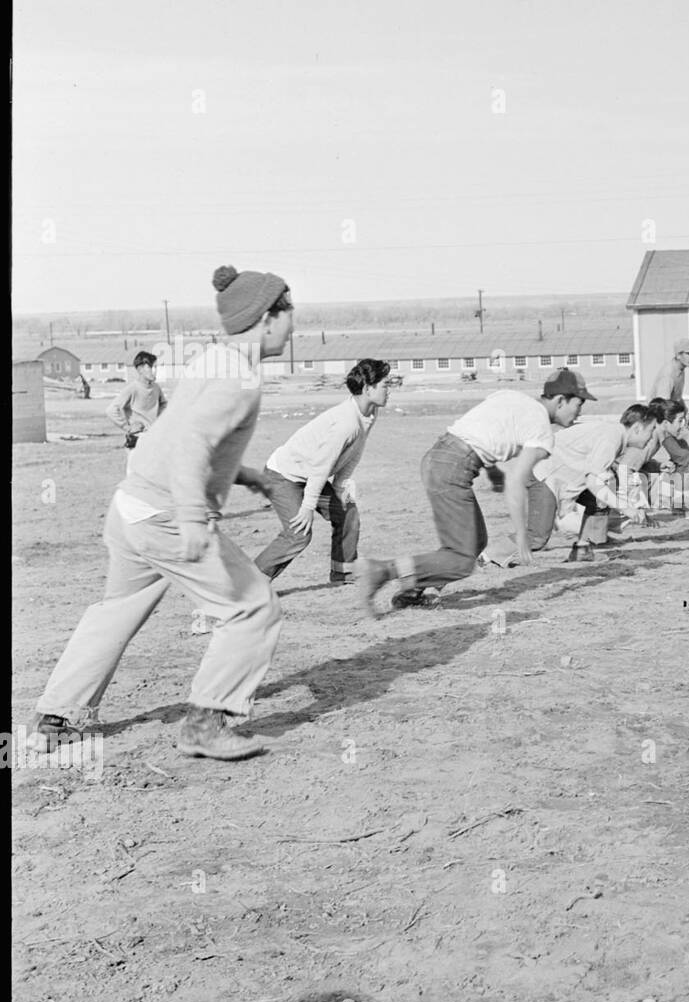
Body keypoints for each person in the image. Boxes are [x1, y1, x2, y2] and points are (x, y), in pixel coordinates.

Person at [34, 264, 294, 759]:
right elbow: (191, 445)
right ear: (267, 319)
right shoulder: (238, 378)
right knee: (253, 605)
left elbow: (182, 433)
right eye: (289, 314)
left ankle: (57, 717)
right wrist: (195, 519)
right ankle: (205, 722)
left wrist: (245, 474)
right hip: (166, 516)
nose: (293, 325)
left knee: (116, 611)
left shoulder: (213, 360)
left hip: (131, 506)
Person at [356, 368, 593, 615]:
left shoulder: (511, 396)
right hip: (454, 467)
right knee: (461, 561)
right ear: (561, 400)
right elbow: (515, 481)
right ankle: (383, 571)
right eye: (579, 403)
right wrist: (523, 534)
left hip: (439, 455)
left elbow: (479, 429)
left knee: (476, 541)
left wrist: (488, 471)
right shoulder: (543, 430)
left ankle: (413, 591)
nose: (580, 411)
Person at [252, 359, 391, 585]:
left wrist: (339, 488)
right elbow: (321, 466)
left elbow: (354, 452)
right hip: (282, 475)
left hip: (309, 475)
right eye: (385, 385)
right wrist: (308, 507)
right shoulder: (346, 422)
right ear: (368, 389)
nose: (389, 390)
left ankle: (343, 574)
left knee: (347, 512)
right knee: (298, 534)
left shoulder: (369, 414)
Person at [487, 404, 659, 565]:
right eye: (651, 430)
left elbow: (598, 470)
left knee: (600, 500)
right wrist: (626, 508)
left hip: (553, 473)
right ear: (637, 428)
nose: (652, 436)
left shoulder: (614, 433)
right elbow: (594, 482)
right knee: (537, 537)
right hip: (544, 474)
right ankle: (487, 555)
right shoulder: (611, 438)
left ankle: (583, 550)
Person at [108, 351, 167, 465]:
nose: (155, 371)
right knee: (135, 477)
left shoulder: (156, 388)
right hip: (137, 440)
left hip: (153, 438)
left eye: (156, 367)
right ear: (140, 369)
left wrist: (158, 422)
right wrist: (128, 427)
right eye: (152, 367)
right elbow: (111, 410)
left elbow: (164, 404)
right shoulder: (132, 389)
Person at [648, 339, 689, 473]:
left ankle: (676, 490)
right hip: (659, 423)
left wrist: (686, 412)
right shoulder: (668, 375)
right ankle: (678, 492)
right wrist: (675, 429)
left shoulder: (680, 369)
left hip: (668, 421)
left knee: (684, 457)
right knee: (684, 457)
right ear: (678, 355)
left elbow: (677, 398)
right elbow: (662, 407)